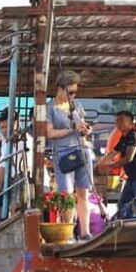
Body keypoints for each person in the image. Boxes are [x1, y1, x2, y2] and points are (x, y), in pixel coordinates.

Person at [46, 70, 94, 240]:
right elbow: (49, 133)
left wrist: (86, 130)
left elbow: (83, 126)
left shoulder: (77, 106)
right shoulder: (50, 108)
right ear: (59, 88)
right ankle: (68, 232)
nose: (72, 96)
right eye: (70, 92)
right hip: (63, 152)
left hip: (81, 149)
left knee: (83, 192)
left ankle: (85, 232)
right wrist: (71, 130)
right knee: (66, 194)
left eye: (75, 92)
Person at [99, 111, 136, 219]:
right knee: (123, 205)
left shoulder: (133, 135)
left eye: (122, 120)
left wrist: (110, 167)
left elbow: (129, 158)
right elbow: (113, 153)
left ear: (131, 123)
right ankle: (121, 226)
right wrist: (99, 165)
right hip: (131, 178)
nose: (118, 123)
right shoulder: (123, 138)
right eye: (117, 120)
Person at [0, 107, 32, 226]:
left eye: (6, 127)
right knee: (6, 204)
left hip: (22, 175)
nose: (4, 131)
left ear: (16, 124)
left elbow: (5, 164)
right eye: (1, 127)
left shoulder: (22, 139)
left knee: (16, 205)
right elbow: (2, 164)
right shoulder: (5, 142)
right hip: (14, 177)